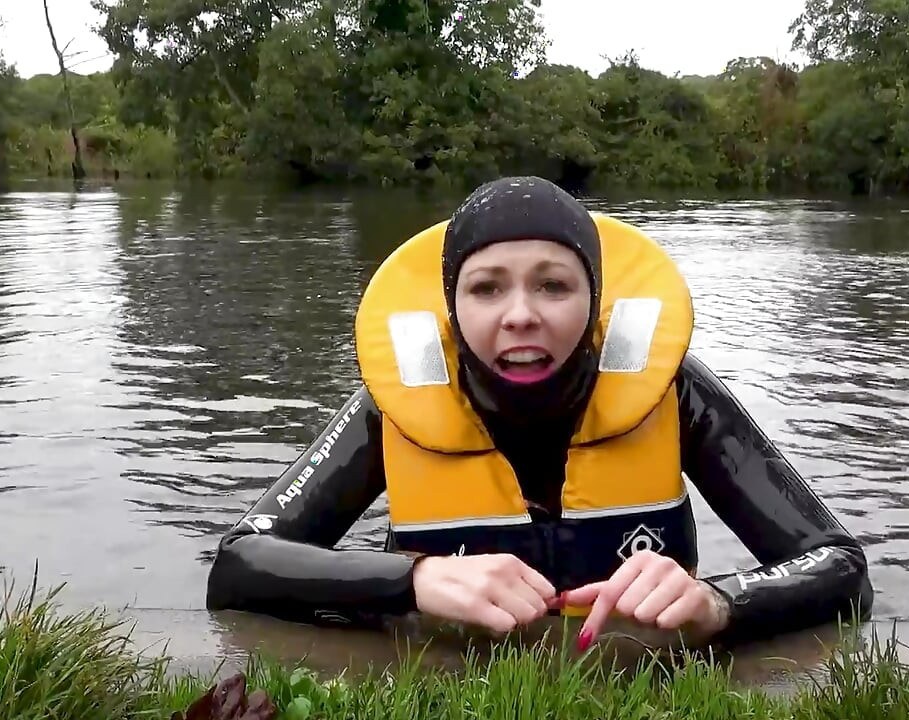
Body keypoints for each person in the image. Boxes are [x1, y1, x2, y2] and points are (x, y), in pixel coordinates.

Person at [206, 176, 874, 651]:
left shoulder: (675, 389)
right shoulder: (394, 404)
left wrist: (719, 605)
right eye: (487, 288)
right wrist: (416, 579)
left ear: (594, 299)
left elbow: (839, 564)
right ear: (452, 306)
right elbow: (240, 564)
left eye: (553, 285)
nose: (520, 314)